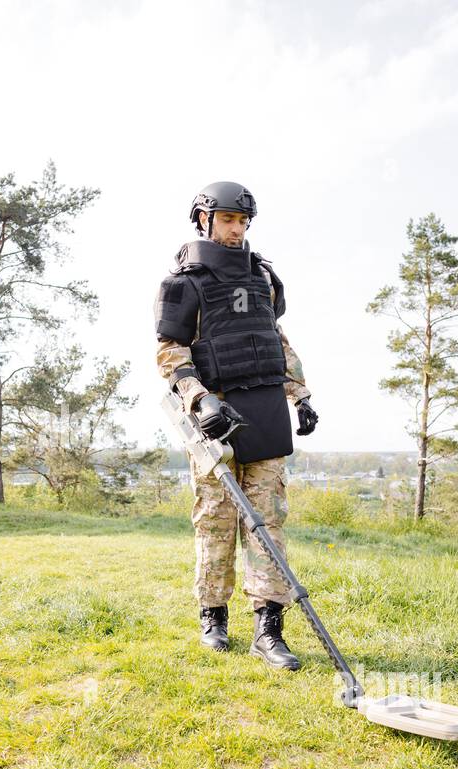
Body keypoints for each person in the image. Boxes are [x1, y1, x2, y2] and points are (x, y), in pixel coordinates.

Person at [154, 181, 318, 670]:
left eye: (243, 221)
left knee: (267, 522)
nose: (236, 228)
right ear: (204, 220)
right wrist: (198, 398)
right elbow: (169, 352)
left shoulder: (262, 278)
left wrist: (301, 393)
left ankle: (268, 629)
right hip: (215, 415)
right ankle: (214, 616)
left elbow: (275, 338)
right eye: (227, 219)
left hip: (266, 407)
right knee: (216, 520)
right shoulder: (184, 284)